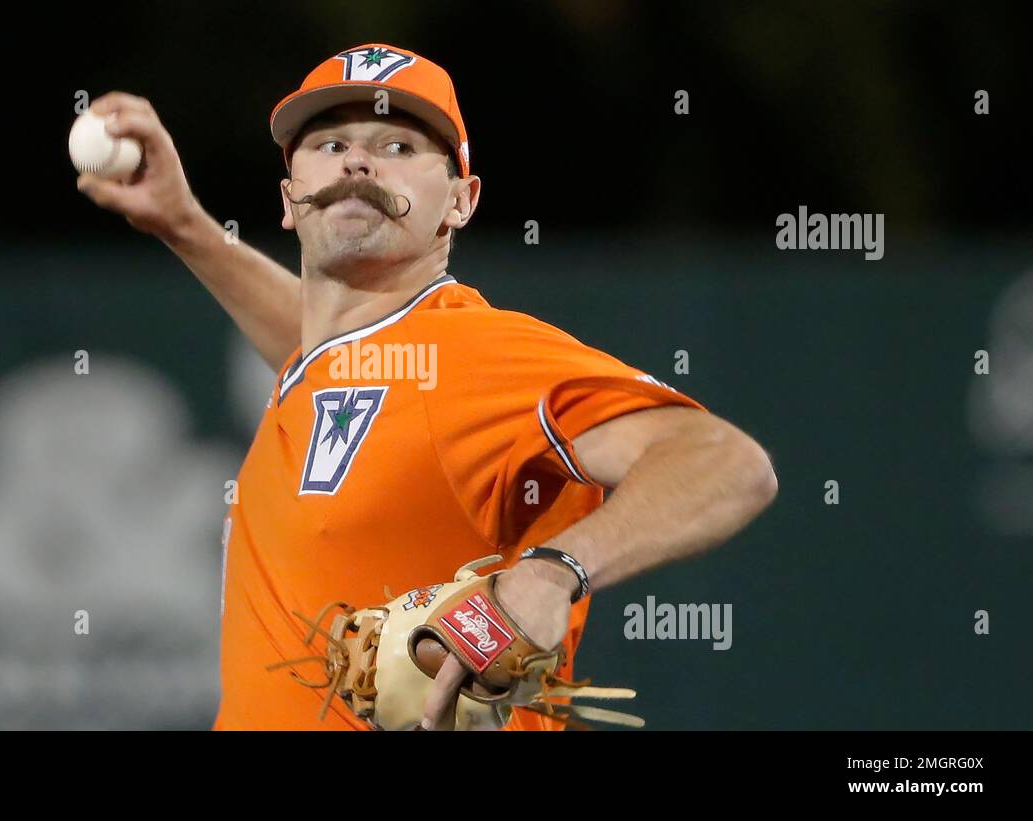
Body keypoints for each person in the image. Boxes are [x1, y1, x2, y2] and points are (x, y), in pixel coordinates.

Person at [77, 43, 778, 730]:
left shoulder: (475, 354)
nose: (357, 159)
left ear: (461, 202)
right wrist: (184, 224)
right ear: (290, 199)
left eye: (398, 146)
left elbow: (727, 462)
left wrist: (555, 569)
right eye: (330, 141)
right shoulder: (338, 358)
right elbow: (318, 348)